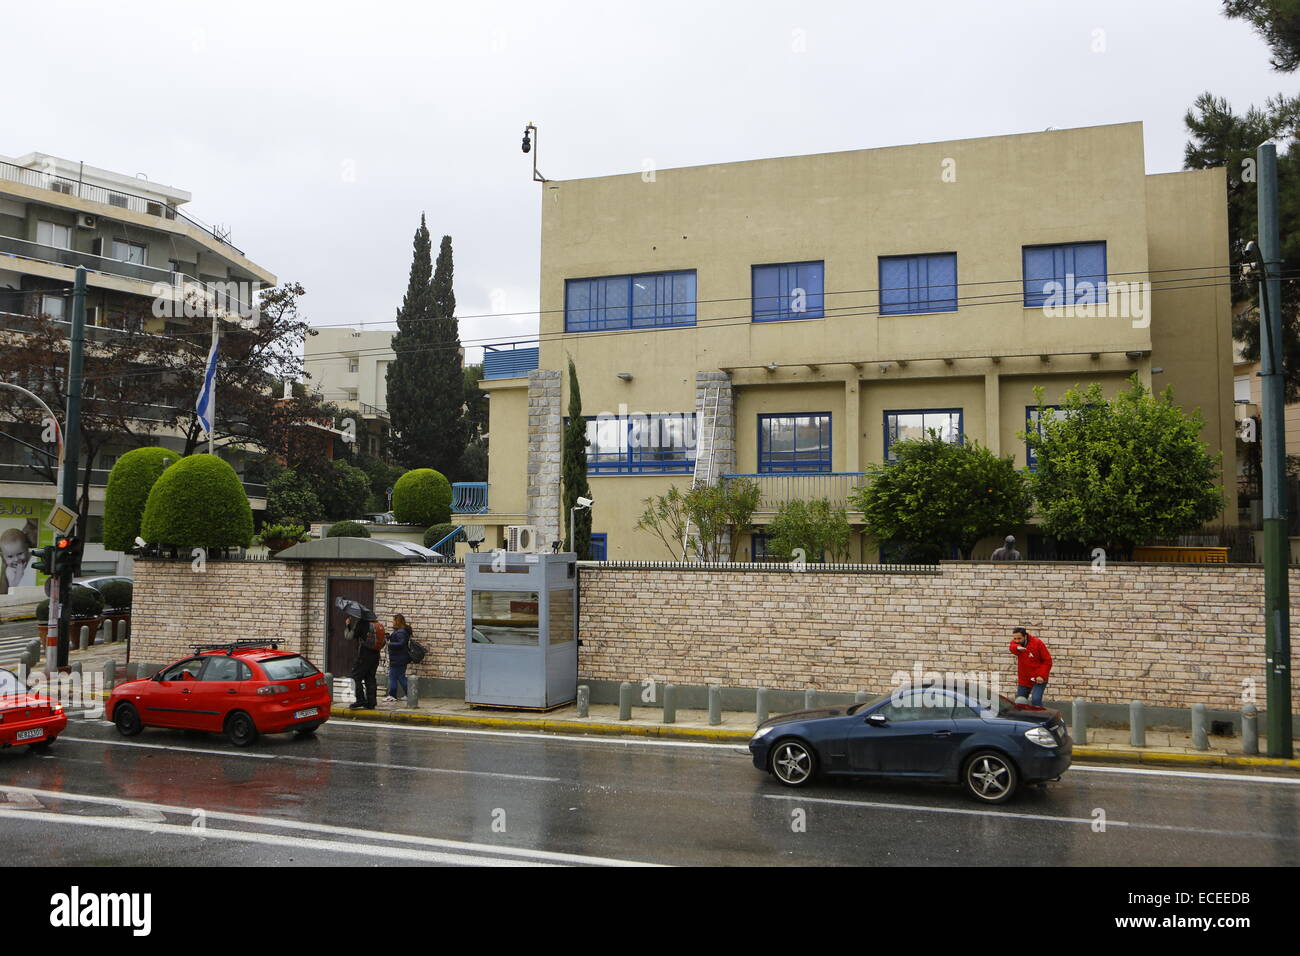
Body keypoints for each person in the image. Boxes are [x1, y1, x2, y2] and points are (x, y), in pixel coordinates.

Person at [1009, 626, 1052, 706]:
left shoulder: (1037, 643)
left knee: (1036, 700)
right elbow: (1011, 647)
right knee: (1019, 702)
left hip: (1039, 678)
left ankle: (1039, 718)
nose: (1017, 641)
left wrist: (1041, 676)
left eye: (1019, 638)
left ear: (1025, 636)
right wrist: (1017, 647)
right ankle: (1021, 718)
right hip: (1024, 678)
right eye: (1015, 639)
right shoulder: (1016, 644)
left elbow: (1047, 661)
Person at [347, 613, 381, 709]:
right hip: (375, 655)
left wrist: (348, 625)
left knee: (355, 677)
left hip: (363, 655)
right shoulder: (376, 624)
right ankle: (371, 702)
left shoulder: (361, 624)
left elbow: (350, 636)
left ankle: (360, 699)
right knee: (370, 678)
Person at [383, 614, 412, 702]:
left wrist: (389, 644)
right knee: (400, 677)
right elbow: (398, 640)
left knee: (393, 677)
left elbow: (401, 643)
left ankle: (392, 695)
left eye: (394, 620)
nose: (393, 622)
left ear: (397, 621)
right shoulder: (400, 631)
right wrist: (389, 637)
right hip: (400, 658)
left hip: (398, 659)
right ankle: (410, 695)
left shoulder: (401, 632)